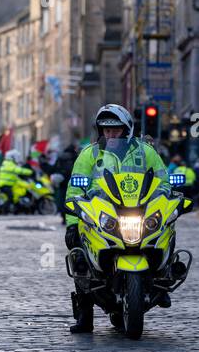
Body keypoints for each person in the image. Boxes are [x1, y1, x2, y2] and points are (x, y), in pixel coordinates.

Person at [64, 104, 173, 335]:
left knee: (167, 227)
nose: (111, 134)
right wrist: (72, 222)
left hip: (139, 208)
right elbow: (74, 189)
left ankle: (163, 279)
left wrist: (165, 197)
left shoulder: (146, 152)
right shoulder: (90, 154)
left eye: (116, 130)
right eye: (106, 130)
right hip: (101, 213)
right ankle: (85, 317)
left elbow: (164, 181)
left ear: (127, 129)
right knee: (80, 256)